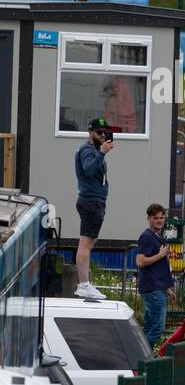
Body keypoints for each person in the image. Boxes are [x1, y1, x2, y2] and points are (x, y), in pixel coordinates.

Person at [73, 118, 114, 300]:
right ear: (90, 133)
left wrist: (101, 152)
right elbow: (89, 170)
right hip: (91, 201)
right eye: (99, 132)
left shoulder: (93, 150)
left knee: (89, 243)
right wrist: (102, 154)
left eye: (104, 132)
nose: (102, 135)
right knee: (86, 244)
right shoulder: (88, 150)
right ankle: (83, 285)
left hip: (94, 201)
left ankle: (85, 283)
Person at [136, 203, 176, 347]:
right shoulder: (147, 237)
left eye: (161, 217)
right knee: (157, 328)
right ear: (149, 219)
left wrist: (167, 288)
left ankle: (143, 360)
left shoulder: (156, 236)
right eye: (155, 218)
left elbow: (158, 268)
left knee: (149, 327)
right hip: (152, 289)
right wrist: (160, 254)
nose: (159, 220)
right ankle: (143, 356)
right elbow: (140, 261)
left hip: (157, 287)